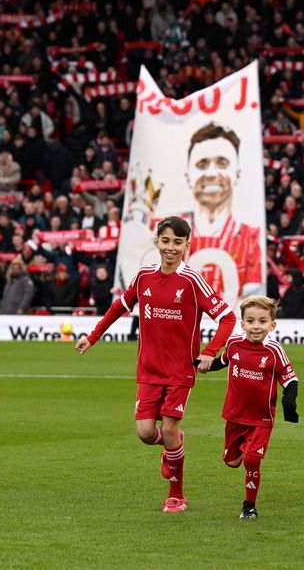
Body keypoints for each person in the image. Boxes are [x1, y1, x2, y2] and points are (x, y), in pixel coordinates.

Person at [75, 216, 237, 513]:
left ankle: (177, 496)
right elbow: (119, 306)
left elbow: (227, 317)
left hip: (179, 371)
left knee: (171, 429)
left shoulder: (192, 280)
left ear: (187, 245)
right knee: (145, 433)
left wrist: (211, 351)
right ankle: (172, 448)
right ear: (156, 242)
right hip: (149, 370)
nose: (171, 248)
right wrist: (93, 336)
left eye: (178, 242)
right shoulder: (144, 276)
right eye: (166, 241)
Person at [199, 296, 299, 520]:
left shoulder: (274, 351)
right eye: (251, 321)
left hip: (262, 417)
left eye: (262, 321)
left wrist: (289, 400)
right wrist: (202, 364)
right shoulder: (234, 344)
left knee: (252, 459)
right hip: (235, 415)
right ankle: (247, 452)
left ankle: (249, 506)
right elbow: (222, 362)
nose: (256, 327)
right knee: (232, 462)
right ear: (242, 324)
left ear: (272, 325)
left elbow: (291, 379)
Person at [185, 122, 264, 299]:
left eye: (222, 163)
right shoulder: (168, 234)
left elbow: (251, 295)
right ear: (187, 176)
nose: (212, 173)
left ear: (237, 173)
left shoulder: (250, 239)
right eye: (202, 165)